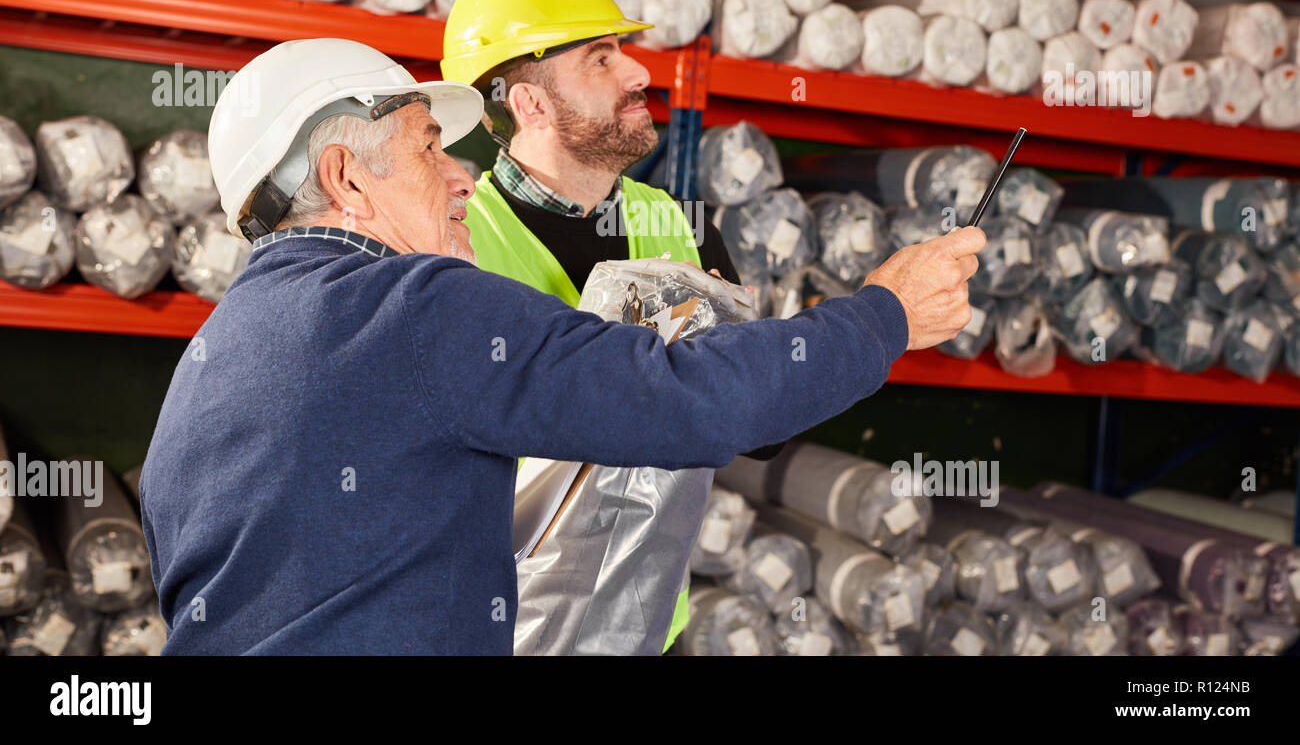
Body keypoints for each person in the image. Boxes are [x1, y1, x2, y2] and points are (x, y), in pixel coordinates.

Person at [139, 37, 985, 655]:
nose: (463, 175)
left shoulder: (218, 350)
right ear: (344, 176)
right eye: (429, 149)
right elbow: (688, 399)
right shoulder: (412, 306)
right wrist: (886, 314)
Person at [440, 0, 771, 653]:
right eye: (600, 59)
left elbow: (760, 428)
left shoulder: (682, 224)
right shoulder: (456, 241)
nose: (639, 73)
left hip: (648, 625)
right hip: (505, 629)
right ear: (528, 104)